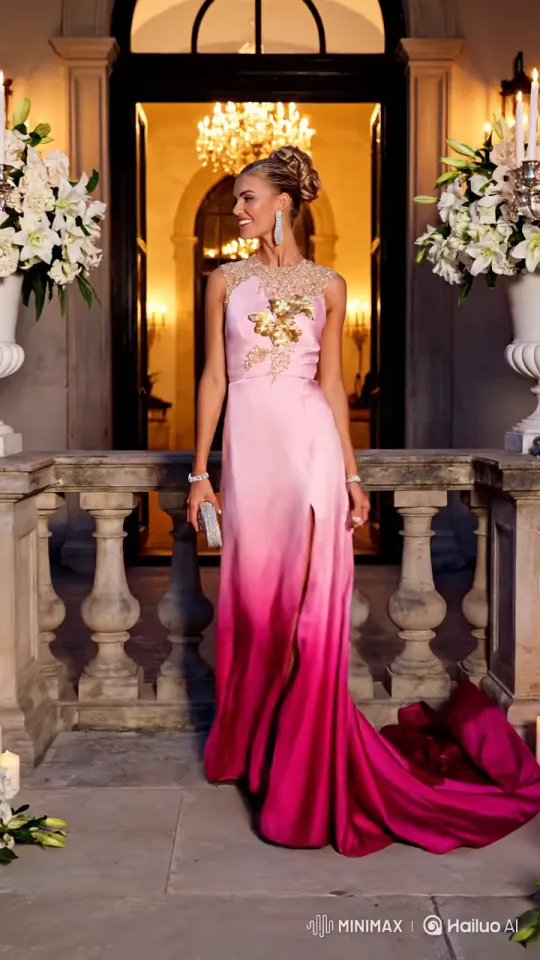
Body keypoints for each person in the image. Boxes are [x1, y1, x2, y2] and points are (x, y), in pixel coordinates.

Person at [186, 145, 540, 857]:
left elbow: (334, 387)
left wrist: (350, 476)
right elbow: (214, 380)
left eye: (250, 196)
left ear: (284, 202)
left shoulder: (331, 284)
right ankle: (252, 746)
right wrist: (200, 471)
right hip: (251, 458)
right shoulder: (223, 281)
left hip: (313, 453)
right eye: (238, 198)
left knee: (313, 618)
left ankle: (302, 766)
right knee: (255, 608)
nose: (240, 207)